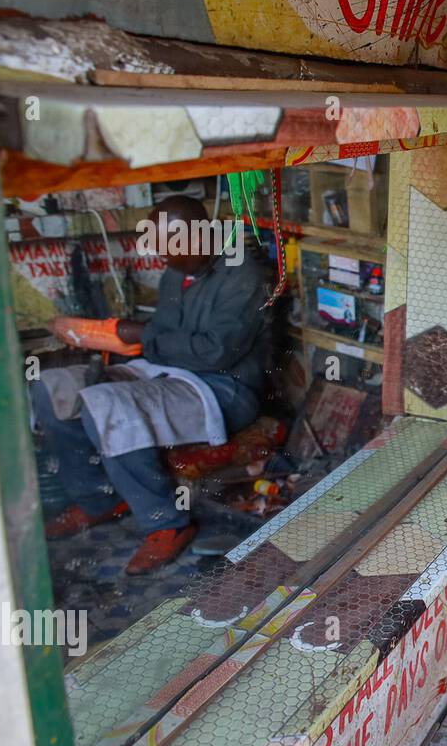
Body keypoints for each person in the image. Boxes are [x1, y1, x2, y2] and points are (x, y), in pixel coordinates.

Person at [33, 196, 270, 574]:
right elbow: (161, 335)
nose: (160, 258)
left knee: (105, 404)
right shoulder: (176, 273)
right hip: (167, 369)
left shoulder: (243, 275)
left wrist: (137, 334)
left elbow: (214, 354)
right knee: (53, 387)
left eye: (167, 249)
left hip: (222, 388)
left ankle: (167, 524)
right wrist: (111, 342)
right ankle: (98, 499)